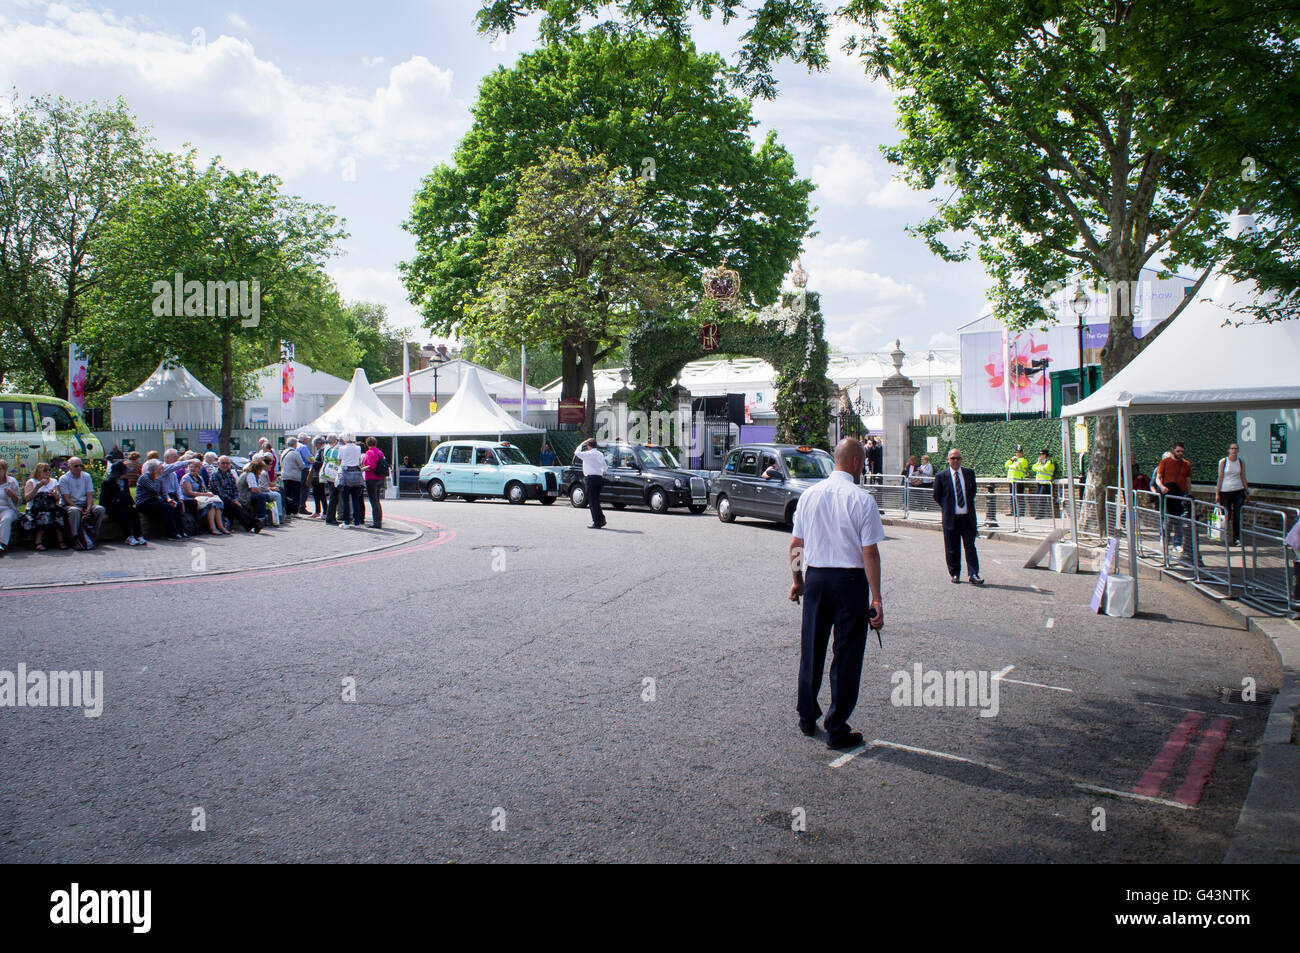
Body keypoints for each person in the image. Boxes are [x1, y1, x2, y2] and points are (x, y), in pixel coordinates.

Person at [787, 438, 885, 750]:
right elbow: (870, 553)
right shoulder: (862, 499)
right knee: (847, 655)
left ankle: (806, 716)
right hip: (850, 580)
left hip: (816, 578)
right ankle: (836, 726)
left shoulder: (810, 495)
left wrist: (797, 579)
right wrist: (877, 598)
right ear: (857, 462)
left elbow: (795, 546)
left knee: (811, 649)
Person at [934, 447, 983, 585]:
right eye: (952, 458)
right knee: (952, 547)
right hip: (951, 518)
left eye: (958, 458)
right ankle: (955, 573)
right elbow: (937, 496)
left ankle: (973, 574)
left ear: (961, 460)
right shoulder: (941, 476)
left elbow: (972, 492)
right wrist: (949, 508)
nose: (955, 461)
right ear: (948, 460)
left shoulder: (969, 474)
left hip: (967, 518)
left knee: (970, 547)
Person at [1155, 441, 1194, 561]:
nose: (1180, 453)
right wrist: (1161, 487)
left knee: (1180, 519)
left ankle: (1177, 543)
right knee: (1168, 519)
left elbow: (1188, 480)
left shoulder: (1186, 464)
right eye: (1178, 451)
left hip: (1181, 494)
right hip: (1169, 494)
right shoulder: (1165, 462)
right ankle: (1165, 541)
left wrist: (1189, 493)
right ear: (1173, 450)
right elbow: (1158, 478)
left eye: (1182, 451)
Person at [58, 456, 107, 549]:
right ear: (69, 467)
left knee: (100, 509)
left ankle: (93, 536)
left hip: (85, 503)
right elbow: (66, 498)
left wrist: (88, 508)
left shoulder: (86, 476)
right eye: (76, 466)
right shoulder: (64, 479)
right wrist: (80, 509)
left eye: (81, 466)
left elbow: (89, 494)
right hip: (70, 504)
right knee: (74, 511)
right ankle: (75, 538)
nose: (79, 468)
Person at [23, 461, 71, 551]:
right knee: (44, 515)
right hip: (35, 508)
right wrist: (37, 487)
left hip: (51, 507)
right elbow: (27, 498)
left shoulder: (53, 481)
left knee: (59, 515)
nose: (48, 472)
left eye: (49, 470)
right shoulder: (32, 482)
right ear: (39, 471)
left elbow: (57, 499)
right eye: (45, 470)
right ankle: (38, 542)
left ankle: (61, 540)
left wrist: (55, 495)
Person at [134, 459, 186, 540]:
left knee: (176, 505)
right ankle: (171, 534)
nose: (163, 470)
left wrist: (169, 500)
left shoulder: (159, 478)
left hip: (154, 500)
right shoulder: (144, 478)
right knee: (167, 507)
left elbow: (164, 493)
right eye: (161, 468)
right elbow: (155, 490)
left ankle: (181, 531)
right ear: (155, 470)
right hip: (144, 502)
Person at [99, 460, 146, 546]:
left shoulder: (124, 482)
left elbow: (127, 494)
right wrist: (104, 512)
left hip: (124, 505)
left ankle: (138, 535)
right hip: (113, 508)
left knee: (134, 512)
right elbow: (103, 499)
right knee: (123, 515)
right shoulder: (107, 483)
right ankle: (128, 536)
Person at [211, 455, 262, 532]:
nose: (225, 465)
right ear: (218, 464)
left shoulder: (229, 474)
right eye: (223, 463)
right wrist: (233, 500)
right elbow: (219, 491)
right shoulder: (215, 475)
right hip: (219, 498)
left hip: (231, 498)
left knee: (237, 505)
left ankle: (252, 525)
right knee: (233, 506)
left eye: (227, 463)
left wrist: (236, 499)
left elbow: (235, 489)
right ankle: (255, 523)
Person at [181, 459, 229, 535]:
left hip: (201, 498)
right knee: (211, 504)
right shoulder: (186, 478)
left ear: (199, 469)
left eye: (196, 467)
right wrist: (206, 495)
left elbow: (204, 490)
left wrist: (208, 493)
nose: (193, 469)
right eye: (191, 467)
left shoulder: (199, 478)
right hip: (190, 499)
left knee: (216, 503)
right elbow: (189, 492)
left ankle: (220, 526)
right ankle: (213, 528)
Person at [1215, 442, 1249, 547]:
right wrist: (1217, 493)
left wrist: (1247, 491)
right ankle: (1225, 537)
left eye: (1236, 449)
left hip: (1238, 490)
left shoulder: (1240, 462)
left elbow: (1243, 477)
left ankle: (1236, 538)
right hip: (1225, 491)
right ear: (1229, 450)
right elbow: (1220, 478)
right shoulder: (1223, 462)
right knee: (1226, 515)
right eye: (1232, 448)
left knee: (1237, 515)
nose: (1234, 451)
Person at [575, 437, 608, 528]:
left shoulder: (588, 454)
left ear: (588, 446)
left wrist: (582, 444)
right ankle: (601, 519)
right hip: (599, 478)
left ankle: (597, 521)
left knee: (592, 501)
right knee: (596, 500)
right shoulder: (600, 454)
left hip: (591, 479)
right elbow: (605, 467)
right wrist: (601, 472)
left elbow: (577, 453)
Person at [336, 433, 365, 527]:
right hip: (356, 474)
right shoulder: (358, 448)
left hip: (345, 474)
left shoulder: (341, 448)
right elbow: (359, 461)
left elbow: (339, 461)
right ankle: (357, 522)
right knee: (355, 499)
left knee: (345, 499)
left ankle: (346, 522)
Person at [361, 436, 386, 529]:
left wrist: (362, 469)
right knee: (377, 500)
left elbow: (371, 466)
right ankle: (378, 520)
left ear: (367, 444)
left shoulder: (370, 452)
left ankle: (376, 522)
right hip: (380, 478)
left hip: (371, 478)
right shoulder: (380, 452)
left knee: (373, 501)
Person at [238, 458, 272, 524]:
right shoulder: (250, 475)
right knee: (261, 497)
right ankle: (261, 517)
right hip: (244, 496)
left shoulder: (248, 474)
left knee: (266, 496)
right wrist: (260, 491)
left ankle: (267, 516)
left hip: (246, 494)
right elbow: (254, 489)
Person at [0, 460, 22, 556]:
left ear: (4, 470)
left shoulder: (11, 482)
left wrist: (12, 494)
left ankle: (2, 543)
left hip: (8, 508)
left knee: (6, 519)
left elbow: (19, 501)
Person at [280, 436, 304, 517]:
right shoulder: (295, 453)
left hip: (285, 475)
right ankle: (294, 511)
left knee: (287, 494)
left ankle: (287, 511)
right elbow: (302, 465)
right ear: (295, 444)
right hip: (294, 476)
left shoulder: (284, 452)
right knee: (295, 494)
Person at [322, 434, 343, 525]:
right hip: (334, 475)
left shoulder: (327, 449)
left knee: (332, 496)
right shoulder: (335, 450)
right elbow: (339, 461)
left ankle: (330, 517)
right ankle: (330, 518)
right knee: (334, 497)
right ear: (334, 440)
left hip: (328, 474)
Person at [1005, 446, 1029, 517]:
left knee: (1019, 497)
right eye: (1017, 452)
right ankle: (1013, 511)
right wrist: (1010, 460)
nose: (1017, 454)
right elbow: (1006, 465)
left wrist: (1010, 465)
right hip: (1012, 480)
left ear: (1021, 453)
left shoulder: (1023, 460)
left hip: (1019, 480)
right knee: (1012, 496)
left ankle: (1021, 512)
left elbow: (1015, 466)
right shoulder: (1014, 460)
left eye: (1019, 452)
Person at [1032, 450, 1056, 519]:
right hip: (1040, 483)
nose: (1040, 456)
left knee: (1042, 499)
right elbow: (1033, 468)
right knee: (1039, 498)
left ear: (1045, 455)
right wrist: (1038, 463)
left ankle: (1040, 514)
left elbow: (1043, 469)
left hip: (1046, 483)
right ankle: (1040, 513)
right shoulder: (1040, 463)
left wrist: (1038, 467)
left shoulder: (1049, 462)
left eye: (1041, 454)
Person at [308, 437, 327, 517]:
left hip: (319, 475)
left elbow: (322, 463)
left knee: (320, 493)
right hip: (316, 475)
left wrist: (314, 462)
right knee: (316, 493)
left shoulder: (322, 451)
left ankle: (324, 511)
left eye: (316, 444)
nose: (316, 446)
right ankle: (318, 511)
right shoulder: (321, 451)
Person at [296, 434, 315, 514]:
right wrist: (314, 460)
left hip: (298, 470)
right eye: (307, 439)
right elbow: (309, 458)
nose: (307, 440)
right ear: (304, 439)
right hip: (305, 469)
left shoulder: (296, 446)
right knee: (305, 488)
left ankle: (298, 506)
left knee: (299, 489)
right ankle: (302, 507)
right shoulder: (303, 447)